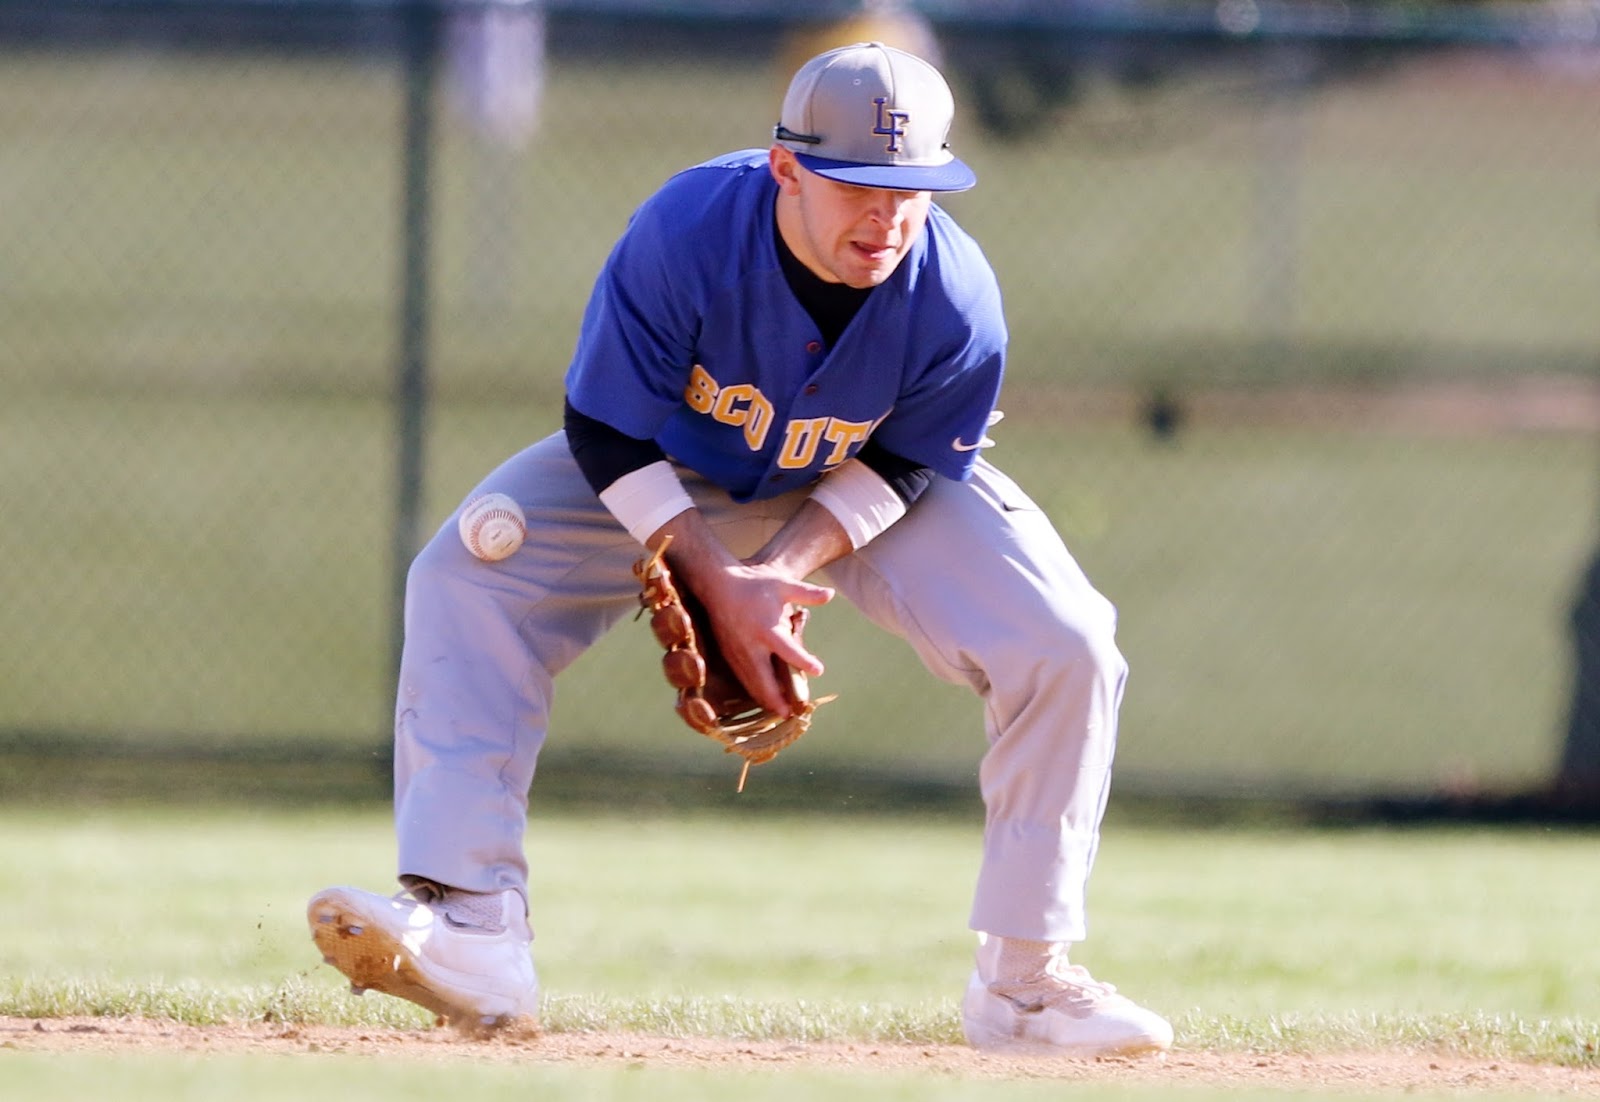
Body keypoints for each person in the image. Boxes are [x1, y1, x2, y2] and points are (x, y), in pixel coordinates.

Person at [308, 41, 1173, 1057]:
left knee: (1069, 642)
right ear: (786, 167)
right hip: (671, 466)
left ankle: (1025, 984)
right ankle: (471, 925)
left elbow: (906, 461)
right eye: (856, 184)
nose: (887, 217)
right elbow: (606, 430)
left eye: (912, 190)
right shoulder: (688, 232)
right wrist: (712, 576)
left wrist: (779, 573)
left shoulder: (956, 296)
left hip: (856, 478)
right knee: (465, 576)